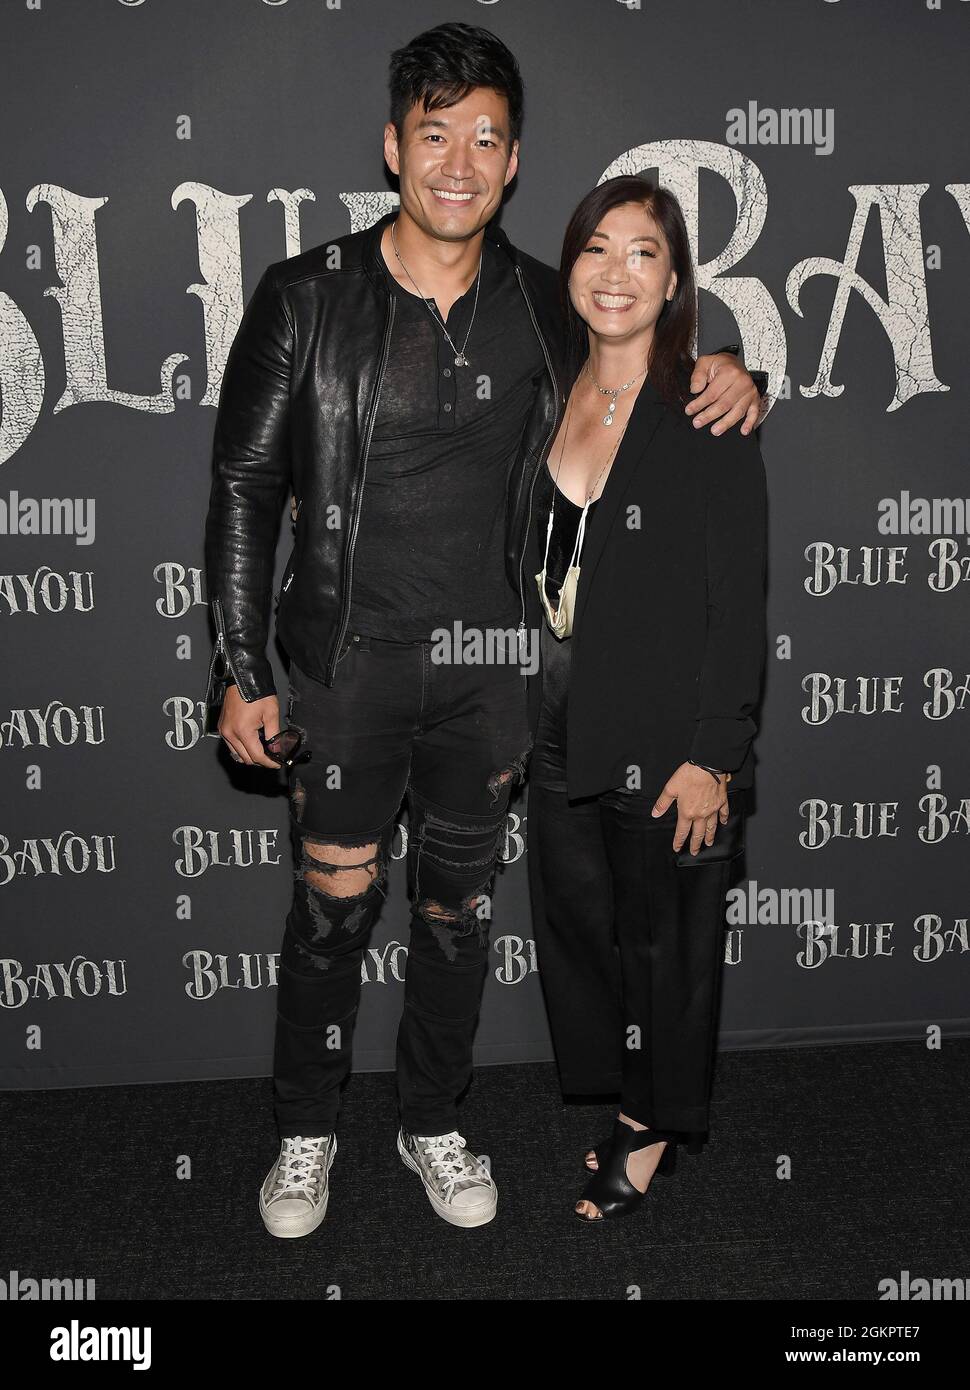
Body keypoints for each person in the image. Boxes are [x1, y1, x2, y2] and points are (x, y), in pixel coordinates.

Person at [202, 23, 763, 1238]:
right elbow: (247, 486)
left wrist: (735, 366)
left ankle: (431, 1118)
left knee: (458, 917)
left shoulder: (543, 304)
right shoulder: (307, 295)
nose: (459, 161)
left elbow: (644, 362)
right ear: (393, 146)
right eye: (436, 133)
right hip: (344, 667)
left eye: (487, 138)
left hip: (492, 673)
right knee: (333, 905)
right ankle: (306, 1132)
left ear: (513, 163)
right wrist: (243, 667)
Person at [522, 175, 768, 1221]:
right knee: (586, 931)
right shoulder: (549, 390)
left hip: (668, 735)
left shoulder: (705, 411)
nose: (614, 271)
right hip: (557, 726)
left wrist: (714, 754)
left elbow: (739, 598)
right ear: (567, 268)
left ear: (674, 284)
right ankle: (629, 1100)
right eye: (595, 248)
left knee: (669, 947)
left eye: (642, 253)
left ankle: (657, 1127)